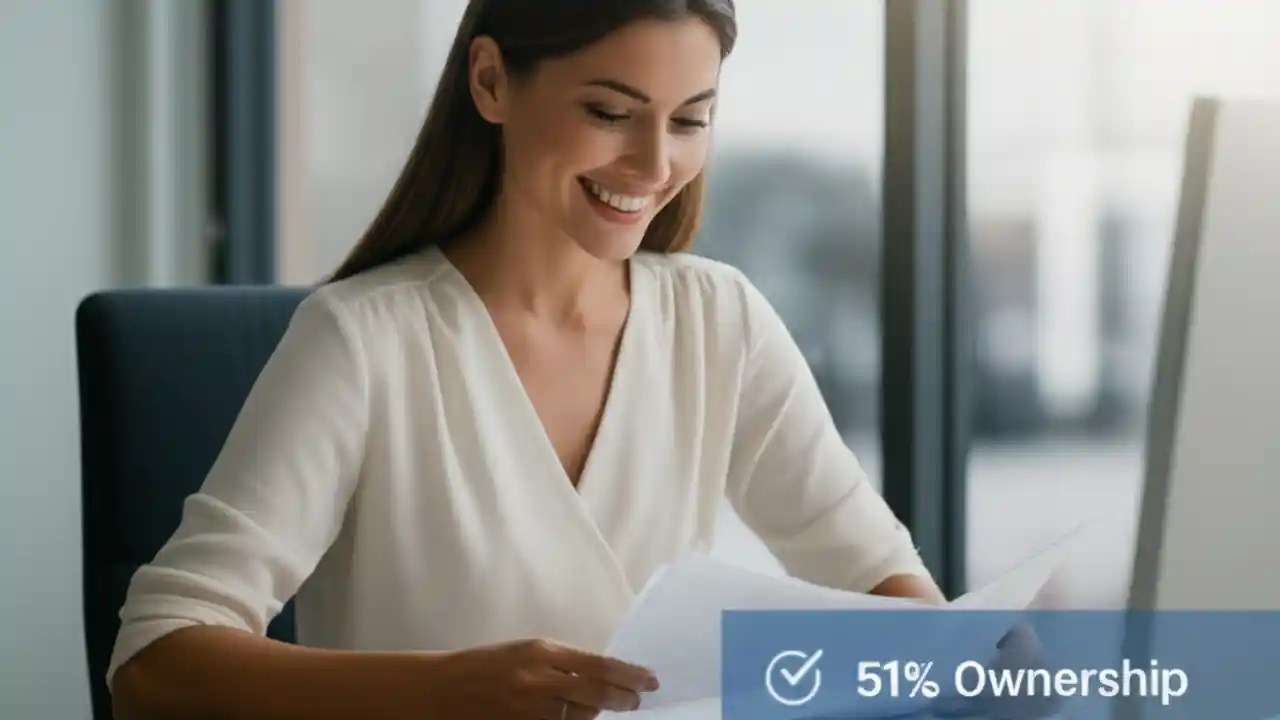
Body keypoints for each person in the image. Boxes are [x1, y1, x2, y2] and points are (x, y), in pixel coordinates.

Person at [107, 1, 946, 718]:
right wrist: (441, 691)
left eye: (690, 120)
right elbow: (155, 662)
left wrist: (956, 652)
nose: (656, 165)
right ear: (492, 82)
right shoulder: (364, 339)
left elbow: (878, 574)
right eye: (611, 113)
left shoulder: (716, 318)